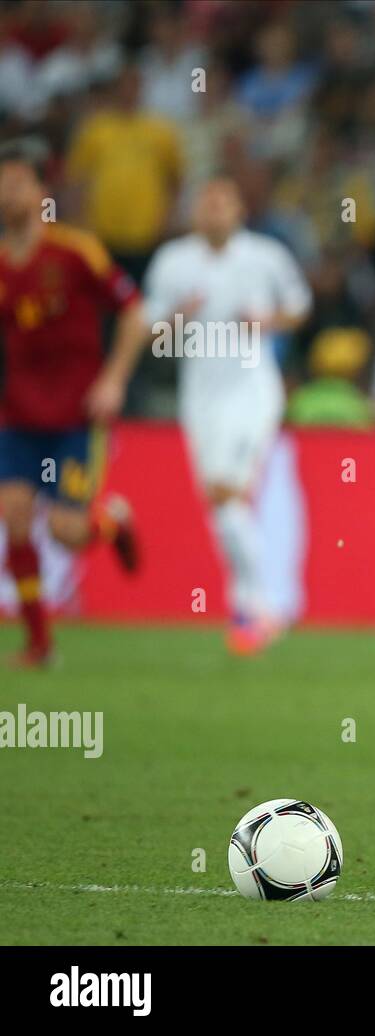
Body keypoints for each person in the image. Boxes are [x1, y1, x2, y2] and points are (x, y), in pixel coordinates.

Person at [137, 176, 312, 654]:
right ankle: (251, 607)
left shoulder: (266, 256)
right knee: (220, 504)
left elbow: (300, 308)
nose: (214, 210)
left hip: (252, 390)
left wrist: (269, 321)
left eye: (223, 202)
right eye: (206, 202)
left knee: (226, 491)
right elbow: (151, 332)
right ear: (195, 211)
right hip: (200, 396)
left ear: (239, 210)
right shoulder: (173, 261)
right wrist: (179, 316)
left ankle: (258, 606)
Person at [0, 137, 142, 667]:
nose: (6, 193)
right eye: (1, 183)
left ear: (43, 192)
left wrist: (114, 380)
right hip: (19, 416)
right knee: (14, 518)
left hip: (75, 418)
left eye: (17, 182)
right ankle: (40, 643)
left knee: (66, 532)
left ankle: (113, 522)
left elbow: (134, 312)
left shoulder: (76, 252)